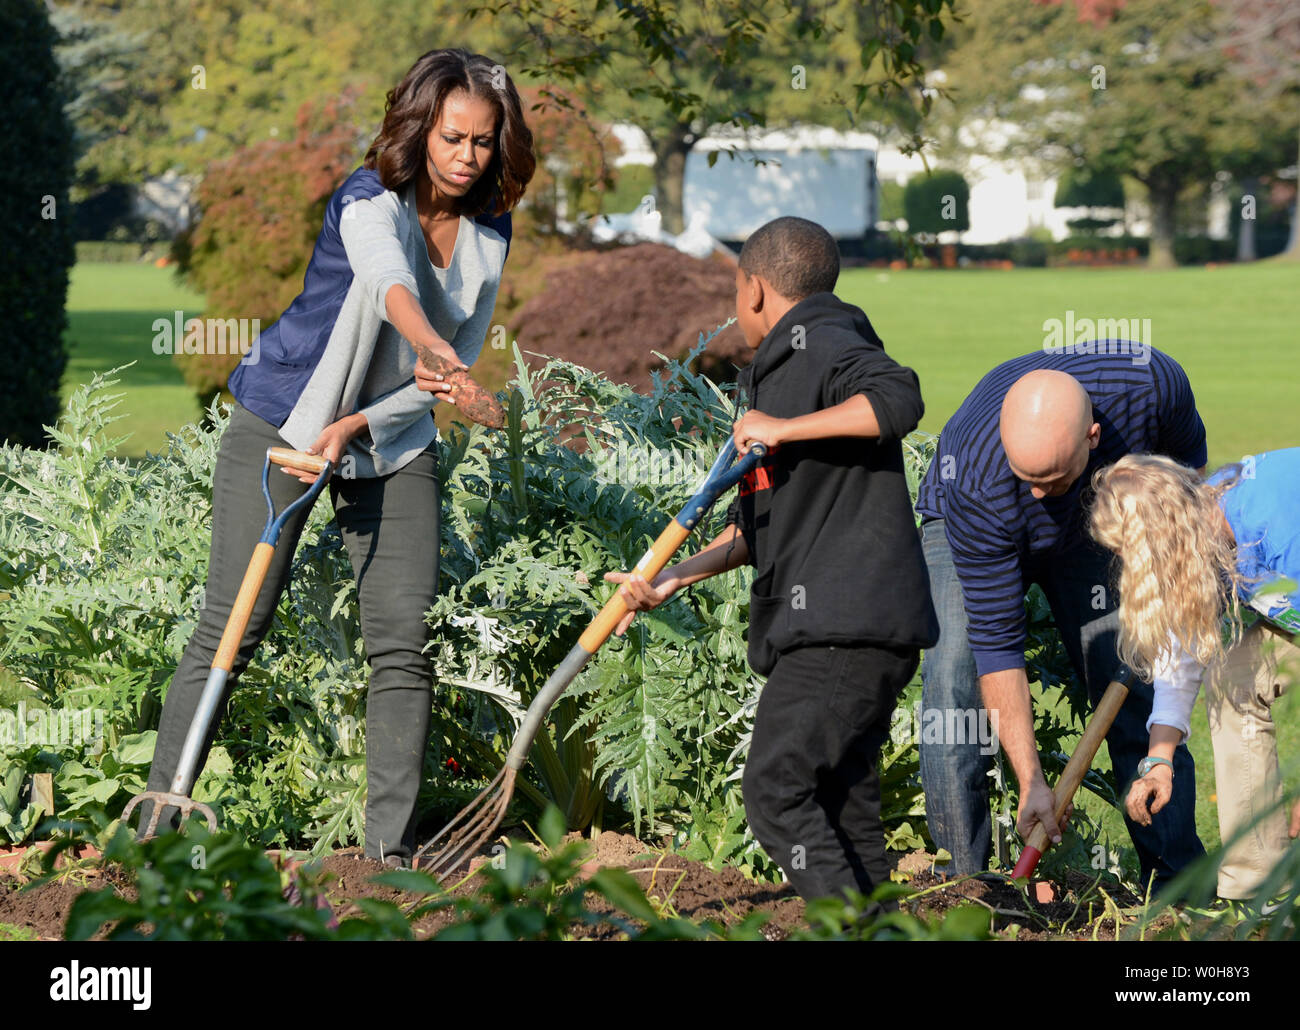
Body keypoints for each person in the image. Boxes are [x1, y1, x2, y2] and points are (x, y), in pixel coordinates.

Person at [136, 48, 535, 866]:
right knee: (233, 625)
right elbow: (390, 281)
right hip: (285, 419)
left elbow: (456, 355)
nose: (466, 157)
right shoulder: (367, 198)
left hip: (387, 433)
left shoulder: (490, 230)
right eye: (453, 137)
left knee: (403, 641)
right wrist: (431, 350)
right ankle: (155, 832)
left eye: (484, 142)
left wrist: (374, 416)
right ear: (422, 129)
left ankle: (385, 860)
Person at [605, 216, 938, 903]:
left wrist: (783, 429)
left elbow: (898, 398)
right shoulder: (779, 373)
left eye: (736, 294)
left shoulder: (823, 345)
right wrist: (672, 576)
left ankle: (843, 927)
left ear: (752, 289)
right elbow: (757, 531)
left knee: (774, 789)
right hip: (854, 625)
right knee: (842, 801)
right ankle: (875, 925)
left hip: (843, 624)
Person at [915, 350, 1207, 890]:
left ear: (1095, 436)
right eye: (1026, 476)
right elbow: (997, 644)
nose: (1036, 493)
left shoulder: (1153, 387)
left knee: (1133, 679)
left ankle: (1179, 889)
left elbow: (1189, 486)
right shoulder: (979, 481)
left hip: (1093, 521)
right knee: (952, 685)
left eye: (1049, 479)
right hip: (974, 526)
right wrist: (1032, 782)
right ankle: (967, 888)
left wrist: (1172, 575)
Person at [1091, 450, 1300, 901]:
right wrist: (1159, 761)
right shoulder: (1206, 518)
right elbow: (1181, 651)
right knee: (1233, 677)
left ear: (1168, 539)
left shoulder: (1279, 526)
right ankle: (1256, 890)